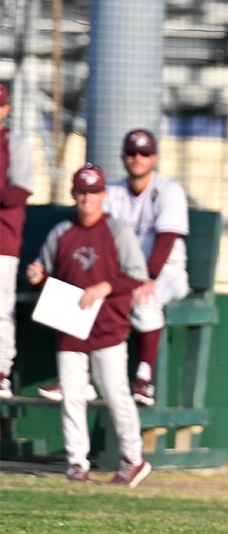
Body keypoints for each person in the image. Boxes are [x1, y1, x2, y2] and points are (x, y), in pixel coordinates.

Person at [24, 164, 153, 487]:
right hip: (70, 324)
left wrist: (104, 287)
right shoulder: (62, 232)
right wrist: (38, 275)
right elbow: (46, 269)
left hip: (108, 325)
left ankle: (133, 459)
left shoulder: (116, 231)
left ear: (103, 195)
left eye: (93, 192)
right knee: (71, 395)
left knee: (115, 394)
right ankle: (76, 463)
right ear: (74, 194)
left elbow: (136, 273)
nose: (87, 198)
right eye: (82, 192)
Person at [102, 127, 190, 407]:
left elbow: (166, 239)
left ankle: (144, 378)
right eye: (132, 153)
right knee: (84, 294)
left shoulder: (169, 190)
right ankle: (79, 379)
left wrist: (148, 278)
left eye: (145, 152)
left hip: (168, 271)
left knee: (144, 298)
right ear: (122, 157)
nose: (137, 158)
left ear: (155, 158)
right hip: (128, 273)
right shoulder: (112, 192)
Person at [0, 82, 28, 399]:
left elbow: (19, 191)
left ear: (6, 109)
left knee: (1, 307)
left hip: (3, 240)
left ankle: (2, 372)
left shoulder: (14, 143)